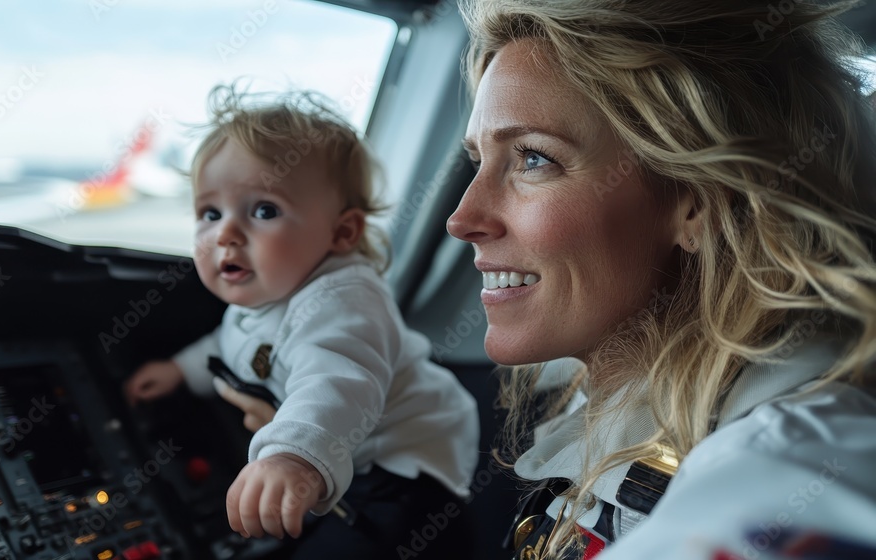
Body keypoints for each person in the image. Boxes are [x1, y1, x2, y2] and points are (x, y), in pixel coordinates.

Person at [446, 0, 876, 558]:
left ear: (695, 202)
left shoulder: (795, 462)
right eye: (478, 159)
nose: (462, 220)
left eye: (532, 158)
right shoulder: (619, 399)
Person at [123, 84, 480, 559]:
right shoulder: (266, 295)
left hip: (406, 466)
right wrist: (182, 371)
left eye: (264, 210)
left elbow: (335, 382)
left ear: (342, 232)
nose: (226, 233)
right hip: (341, 455)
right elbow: (231, 340)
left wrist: (292, 455)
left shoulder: (342, 301)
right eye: (210, 212)